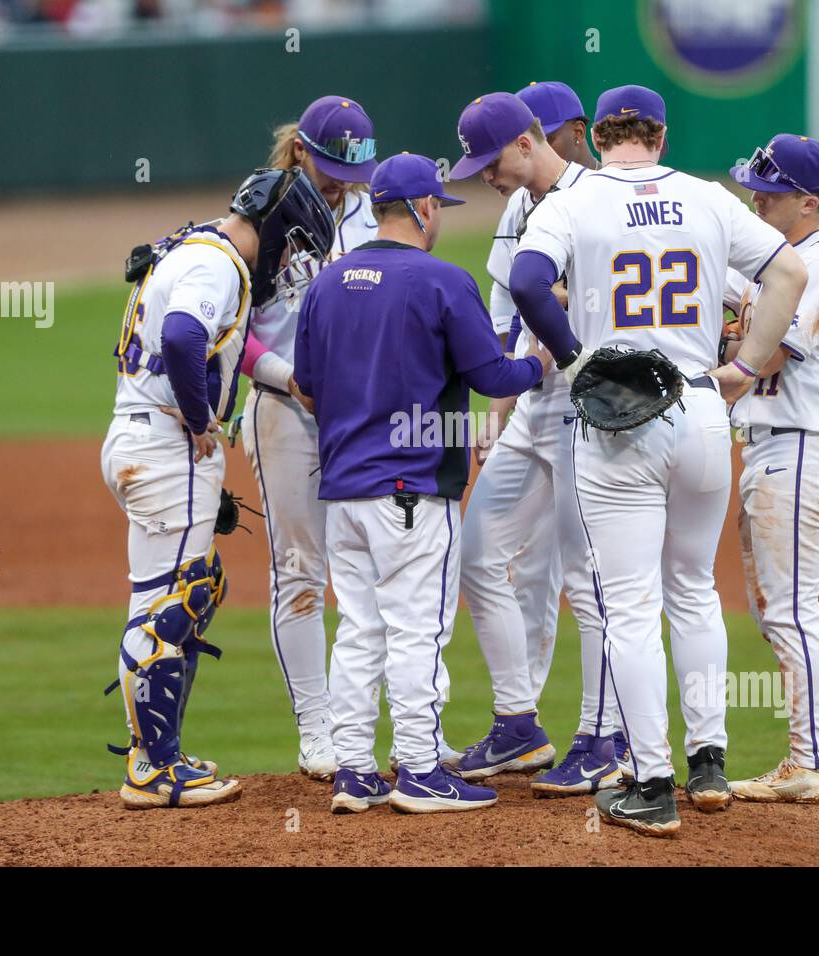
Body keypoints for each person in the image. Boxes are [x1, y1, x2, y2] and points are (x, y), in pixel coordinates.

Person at [510, 85, 808, 836]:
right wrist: (747, 365)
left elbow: (524, 283)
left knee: (629, 607)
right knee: (694, 590)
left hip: (617, 424)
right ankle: (710, 761)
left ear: (599, 137)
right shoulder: (707, 198)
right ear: (661, 136)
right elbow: (789, 276)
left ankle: (652, 781)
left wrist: (578, 364)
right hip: (704, 410)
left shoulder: (574, 203)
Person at [292, 153, 553, 814]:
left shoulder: (327, 283)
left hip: (344, 491)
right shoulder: (442, 280)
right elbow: (492, 377)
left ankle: (353, 771)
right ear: (424, 209)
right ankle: (417, 768)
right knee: (416, 630)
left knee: (358, 629)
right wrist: (538, 363)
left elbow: (305, 386)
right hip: (412, 490)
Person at [236, 96, 455, 781]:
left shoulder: (375, 213)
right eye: (329, 168)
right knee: (301, 571)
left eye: (350, 172)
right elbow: (225, 321)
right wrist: (284, 375)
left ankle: (416, 731)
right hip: (288, 414)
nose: (340, 184)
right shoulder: (261, 217)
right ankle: (319, 731)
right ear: (299, 149)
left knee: (390, 573)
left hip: (366, 419)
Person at [102, 167, 335, 809]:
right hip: (164, 446)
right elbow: (182, 335)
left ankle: (158, 754)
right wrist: (202, 419)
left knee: (176, 594)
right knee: (171, 602)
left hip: (140, 436)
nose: (290, 262)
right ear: (278, 230)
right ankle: (155, 768)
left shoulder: (192, 244)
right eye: (293, 247)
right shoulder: (221, 264)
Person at [447, 87, 627, 797]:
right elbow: (517, 320)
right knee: (480, 553)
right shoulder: (522, 208)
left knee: (590, 580)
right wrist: (494, 420)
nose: (482, 177)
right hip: (534, 406)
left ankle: (604, 736)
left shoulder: (603, 197)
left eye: (487, 162)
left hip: (594, 410)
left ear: (526, 143)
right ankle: (518, 723)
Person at [723, 134, 819, 804]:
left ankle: (808, 761)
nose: (756, 196)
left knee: (788, 609)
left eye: (770, 190)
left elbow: (775, 348)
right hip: (781, 447)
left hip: (801, 447)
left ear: (808, 201)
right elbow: (750, 315)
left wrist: (719, 378)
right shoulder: (782, 264)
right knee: (781, 609)